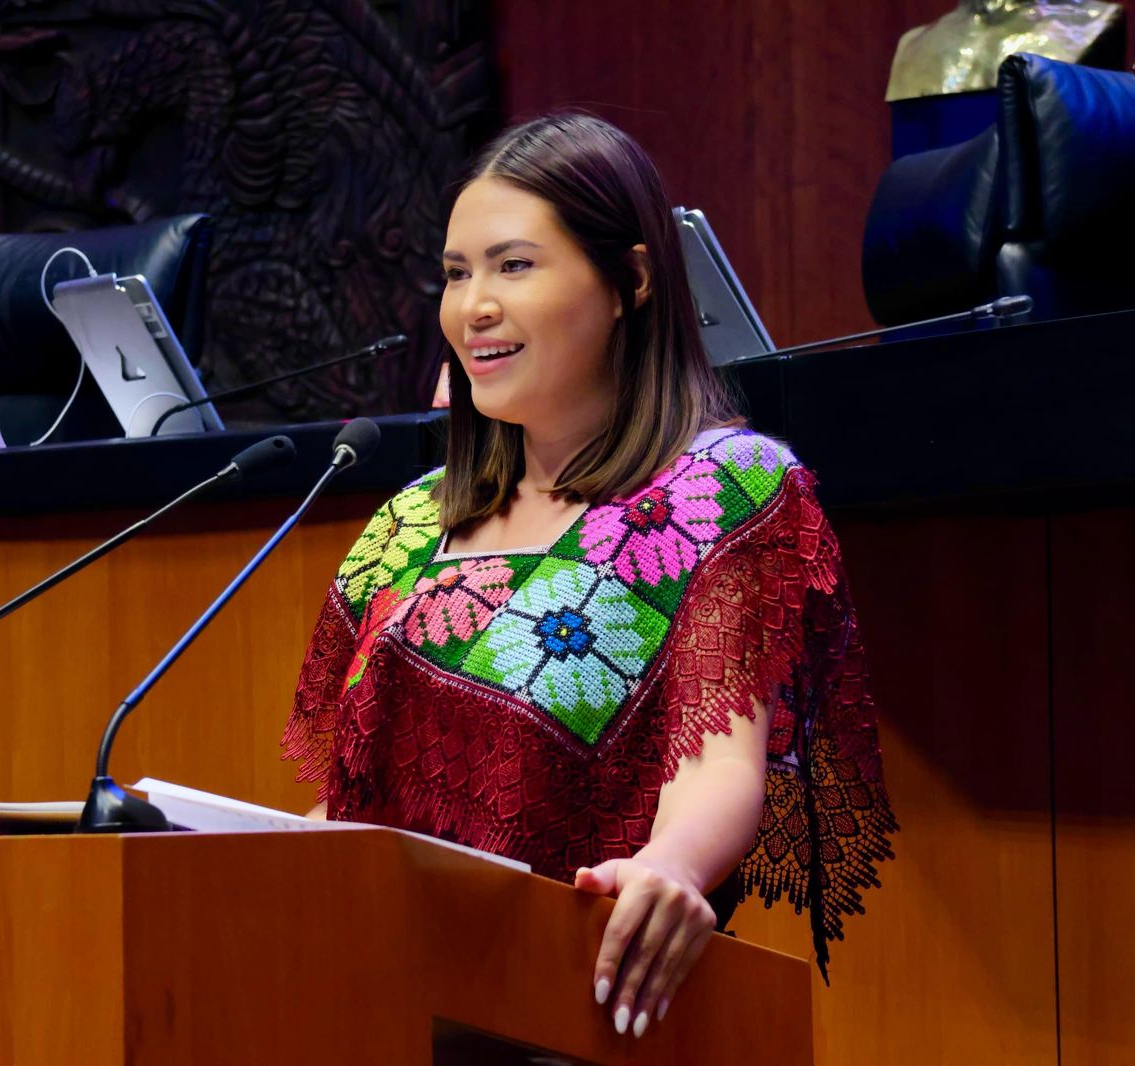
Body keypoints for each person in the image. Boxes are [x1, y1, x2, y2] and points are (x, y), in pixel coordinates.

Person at [283, 112, 895, 1038]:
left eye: (513, 265)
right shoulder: (412, 518)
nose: (472, 307)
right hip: (383, 1004)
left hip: (589, 1006)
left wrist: (673, 867)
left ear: (630, 281)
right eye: (456, 273)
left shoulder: (725, 490)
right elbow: (352, 795)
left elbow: (719, 760)